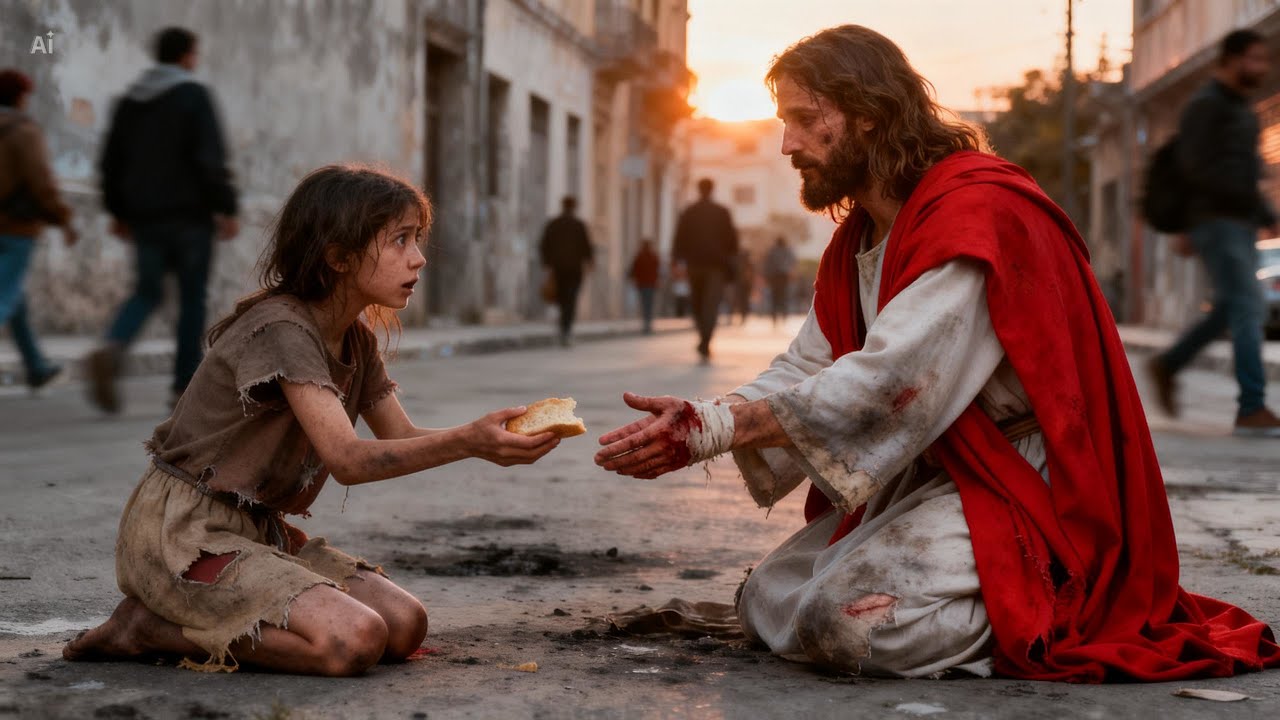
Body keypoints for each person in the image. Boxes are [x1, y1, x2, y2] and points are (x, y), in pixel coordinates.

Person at [595, 25, 1280, 681]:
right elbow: (811, 363)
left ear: (867, 113)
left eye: (805, 119)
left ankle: (1045, 603)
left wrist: (715, 432)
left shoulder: (974, 213)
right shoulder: (862, 237)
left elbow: (885, 383)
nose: (787, 144)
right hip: (940, 466)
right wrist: (702, 414)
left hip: (1025, 480)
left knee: (842, 622)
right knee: (764, 596)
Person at [63, 165, 561, 676]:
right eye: (399, 241)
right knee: (352, 641)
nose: (418, 258)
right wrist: (467, 441)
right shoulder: (283, 328)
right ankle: (148, 629)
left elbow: (400, 437)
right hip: (186, 539)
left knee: (406, 623)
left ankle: (193, 618)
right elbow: (347, 460)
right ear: (339, 257)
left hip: (256, 532)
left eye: (417, 238)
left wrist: (484, 439)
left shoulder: (356, 337)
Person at [88, 26, 240, 412]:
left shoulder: (130, 103)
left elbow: (111, 163)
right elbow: (211, 160)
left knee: (147, 291)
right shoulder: (194, 96)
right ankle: (183, 387)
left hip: (146, 219)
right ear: (187, 56)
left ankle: (113, 344)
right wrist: (226, 207)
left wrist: (118, 211)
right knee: (191, 299)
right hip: (190, 219)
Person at [1147, 29, 1280, 437]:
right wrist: (1189, 223)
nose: (1261, 67)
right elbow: (1196, 169)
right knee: (1248, 305)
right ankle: (1251, 406)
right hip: (1216, 220)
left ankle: (1168, 364)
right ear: (1231, 59)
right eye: (1254, 59)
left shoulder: (1240, 108)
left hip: (1237, 221)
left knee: (1230, 306)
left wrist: (1263, 213)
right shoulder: (1206, 105)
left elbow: (1243, 172)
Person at [0, 69, 77, 390]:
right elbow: (40, 183)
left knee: (14, 298)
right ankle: (36, 366)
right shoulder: (24, 131)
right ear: (21, 97)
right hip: (16, 226)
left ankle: (36, 366)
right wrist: (63, 219)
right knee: (5, 295)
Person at [673, 178, 738, 362]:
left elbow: (679, 237)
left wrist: (677, 259)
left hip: (695, 264)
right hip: (716, 266)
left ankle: (703, 339)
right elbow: (732, 241)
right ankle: (705, 339)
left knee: (697, 303)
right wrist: (731, 262)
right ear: (712, 190)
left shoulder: (689, 212)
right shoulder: (722, 213)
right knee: (710, 305)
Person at [539, 195, 593, 346]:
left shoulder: (554, 224)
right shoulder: (578, 225)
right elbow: (587, 247)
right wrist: (590, 262)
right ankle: (566, 329)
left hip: (558, 268)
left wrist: (547, 262)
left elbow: (544, 244)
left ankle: (563, 327)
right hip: (574, 270)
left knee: (562, 299)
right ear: (574, 207)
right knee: (571, 299)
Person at [763, 236, 797, 327]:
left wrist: (767, 276)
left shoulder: (772, 251)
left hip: (774, 277)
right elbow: (792, 263)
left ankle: (775, 317)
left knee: (775, 298)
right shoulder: (787, 251)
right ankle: (783, 316)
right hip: (783, 277)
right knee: (783, 297)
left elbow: (767, 265)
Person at [629, 239, 660, 334]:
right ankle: (647, 323)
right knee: (648, 304)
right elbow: (657, 271)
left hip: (644, 284)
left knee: (645, 304)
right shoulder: (652, 256)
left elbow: (633, 270)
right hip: (648, 284)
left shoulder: (641, 256)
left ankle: (647, 324)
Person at [731, 251, 755, 325]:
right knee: (743, 300)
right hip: (745, 285)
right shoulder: (748, 264)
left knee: (741, 300)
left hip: (742, 285)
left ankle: (742, 315)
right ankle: (743, 315)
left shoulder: (741, 264)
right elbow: (751, 276)